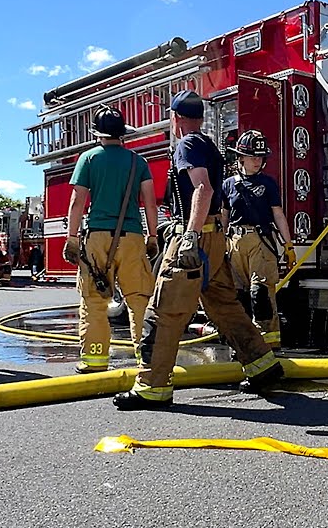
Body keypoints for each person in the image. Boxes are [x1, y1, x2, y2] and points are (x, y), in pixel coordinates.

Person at [113, 90, 283, 410]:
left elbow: (202, 189)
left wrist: (189, 235)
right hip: (214, 239)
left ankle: (152, 386)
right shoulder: (208, 144)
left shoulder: (187, 144)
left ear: (176, 118)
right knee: (224, 306)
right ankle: (262, 365)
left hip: (196, 239)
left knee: (164, 311)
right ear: (201, 118)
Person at [62, 106, 158, 373]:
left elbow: (77, 201)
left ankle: (94, 361)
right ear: (122, 134)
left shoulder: (88, 158)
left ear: (97, 134)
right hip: (132, 238)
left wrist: (72, 238)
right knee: (138, 299)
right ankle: (147, 360)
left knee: (94, 300)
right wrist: (152, 236)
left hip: (97, 238)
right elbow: (150, 203)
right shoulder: (138, 162)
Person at [222, 129, 296, 348]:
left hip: (261, 241)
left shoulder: (268, 184)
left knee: (260, 294)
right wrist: (219, 245)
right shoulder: (228, 185)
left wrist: (288, 245)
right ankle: (244, 344)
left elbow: (278, 214)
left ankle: (267, 344)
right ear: (241, 158)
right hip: (234, 243)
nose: (257, 161)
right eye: (252, 156)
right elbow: (224, 216)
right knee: (240, 296)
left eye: (260, 157)